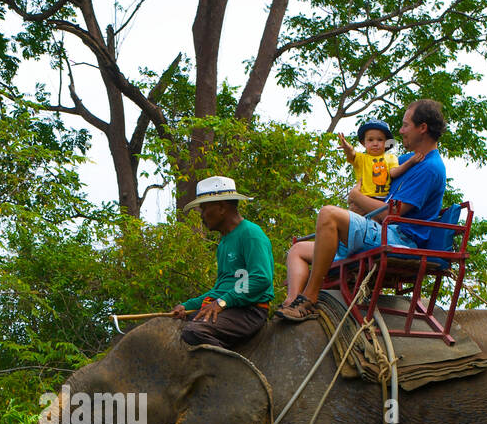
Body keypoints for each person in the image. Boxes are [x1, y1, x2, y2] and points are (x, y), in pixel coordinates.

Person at [276, 99, 448, 323]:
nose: (400, 130)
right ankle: (292, 302)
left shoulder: (430, 168)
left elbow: (391, 215)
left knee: (328, 213)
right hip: (379, 230)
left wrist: (358, 198)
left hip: (398, 238)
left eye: (406, 125)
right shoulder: (406, 161)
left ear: (422, 128)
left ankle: (309, 297)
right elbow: (370, 169)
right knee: (298, 250)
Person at [171, 175, 274, 348]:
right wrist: (186, 305)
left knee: (194, 332)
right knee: (178, 324)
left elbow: (261, 279)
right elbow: (220, 289)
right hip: (230, 308)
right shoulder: (224, 243)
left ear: (221, 207)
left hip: (249, 311)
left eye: (204, 209)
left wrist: (222, 302)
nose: (202, 216)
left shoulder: (250, 233)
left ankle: (231, 371)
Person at [337, 118, 425, 213]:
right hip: (362, 200)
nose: (375, 143)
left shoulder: (391, 158)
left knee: (375, 224)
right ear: (364, 143)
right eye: (370, 140)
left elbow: (394, 172)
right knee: (352, 222)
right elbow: (352, 154)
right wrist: (348, 148)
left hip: (381, 201)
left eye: (380, 140)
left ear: (386, 143)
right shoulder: (361, 158)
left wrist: (410, 162)